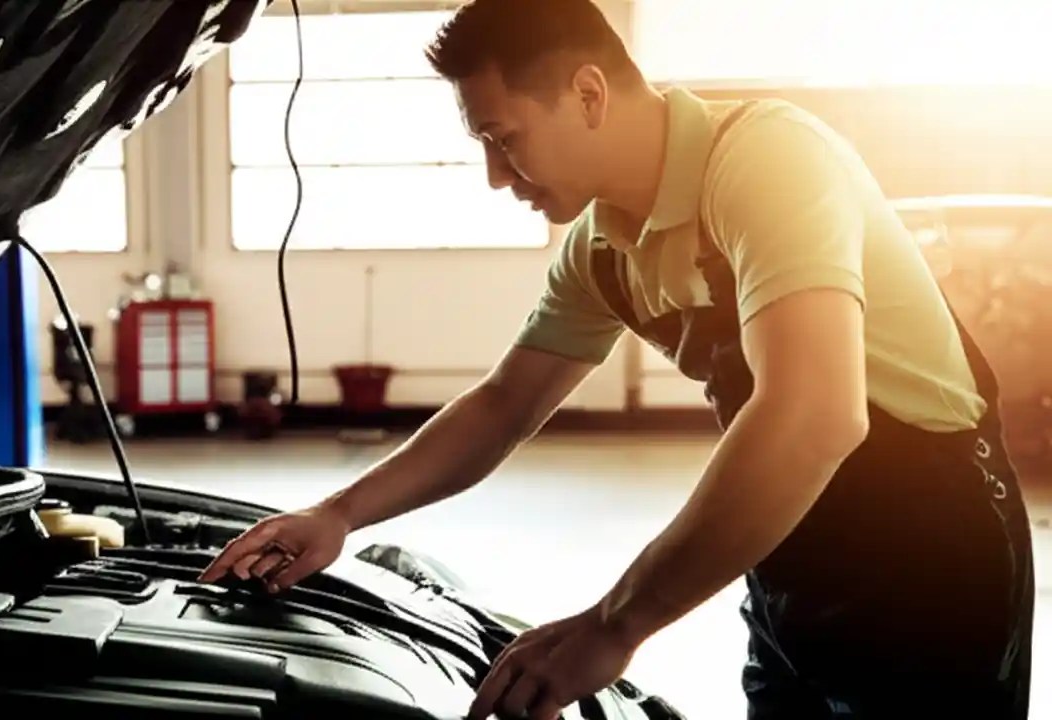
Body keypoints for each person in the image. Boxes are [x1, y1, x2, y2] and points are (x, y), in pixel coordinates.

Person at [200, 1, 1036, 717]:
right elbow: (503, 405)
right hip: (788, 551)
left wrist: (616, 624)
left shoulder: (766, 159)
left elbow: (814, 416)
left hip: (933, 546)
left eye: (505, 138)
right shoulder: (600, 246)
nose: (497, 176)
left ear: (588, 94)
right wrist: (341, 514)